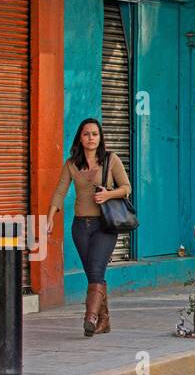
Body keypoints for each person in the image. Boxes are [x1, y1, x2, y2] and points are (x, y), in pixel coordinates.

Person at [48, 117, 133, 336]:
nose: (91, 138)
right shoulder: (71, 163)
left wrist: (108, 194)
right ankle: (104, 319)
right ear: (80, 138)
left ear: (100, 137)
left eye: (95, 134)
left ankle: (90, 318)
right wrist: (50, 216)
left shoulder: (111, 160)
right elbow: (60, 190)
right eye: (86, 134)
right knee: (93, 273)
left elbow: (126, 188)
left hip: (105, 226)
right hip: (80, 227)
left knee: (96, 271)